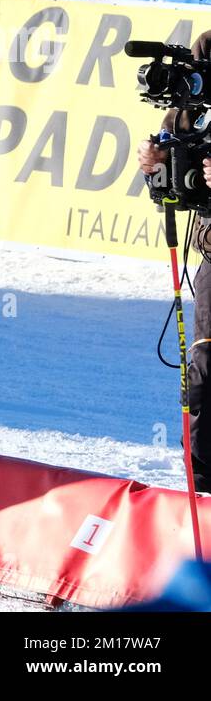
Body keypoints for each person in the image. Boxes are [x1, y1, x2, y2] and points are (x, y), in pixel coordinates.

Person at [135, 27, 211, 493]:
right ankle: (200, 488)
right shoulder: (205, 51)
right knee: (203, 370)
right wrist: (156, 160)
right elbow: (174, 139)